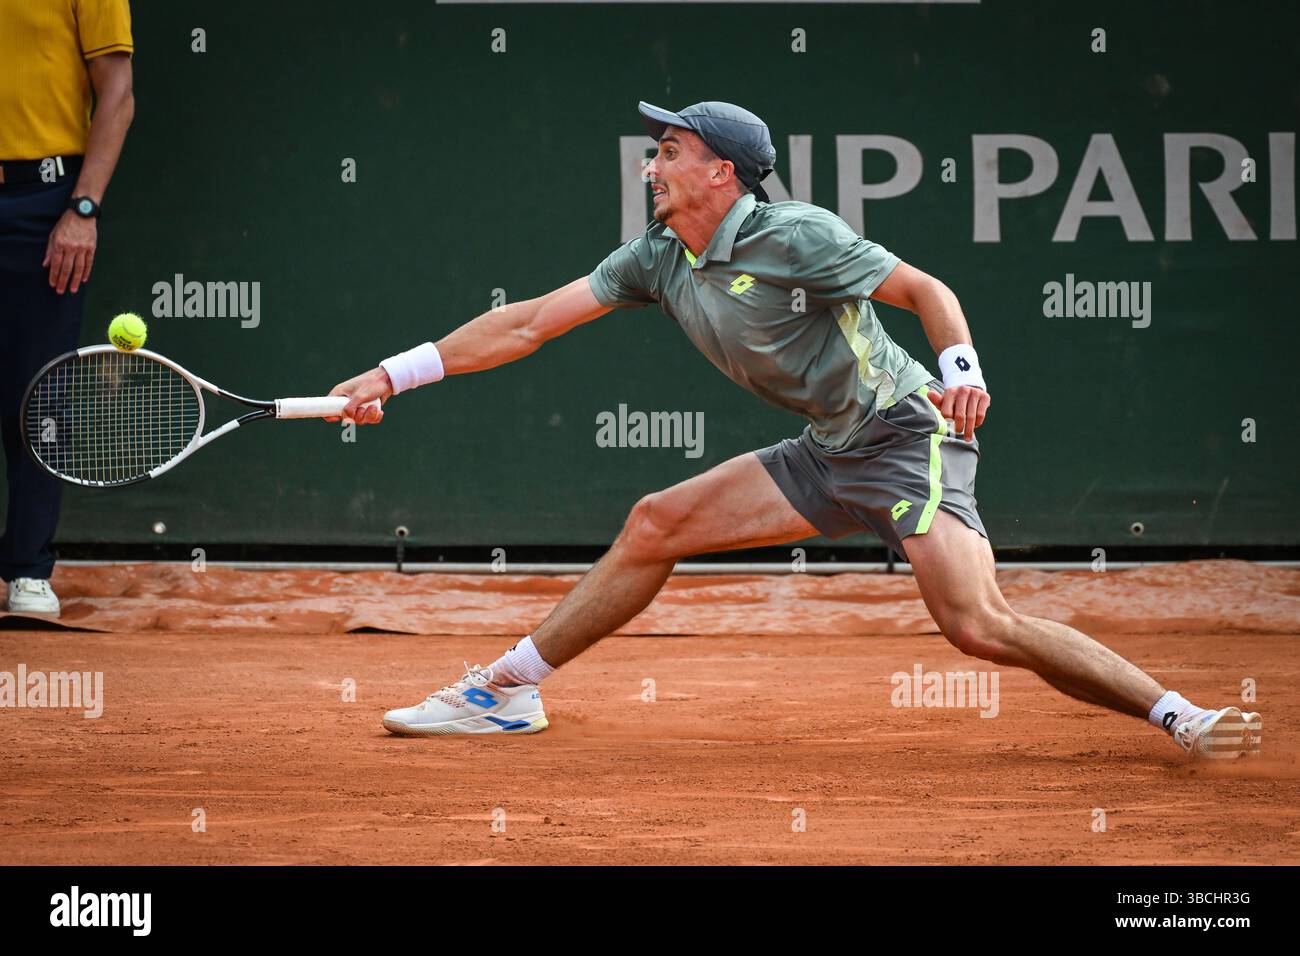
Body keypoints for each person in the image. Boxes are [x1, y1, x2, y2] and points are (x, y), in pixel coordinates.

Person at [329, 101, 1261, 759]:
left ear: (719, 171)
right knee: (657, 521)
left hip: (906, 436)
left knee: (978, 626)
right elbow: (526, 322)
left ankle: (1179, 715)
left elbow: (925, 291)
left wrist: (962, 373)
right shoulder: (658, 256)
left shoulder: (794, 235)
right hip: (825, 450)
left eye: (669, 150)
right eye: (653, 151)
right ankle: (505, 692)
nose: (651, 165)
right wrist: (389, 376)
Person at [0, 0, 135, 616]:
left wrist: (83, 209)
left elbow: (117, 92)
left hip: (47, 201)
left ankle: (28, 570)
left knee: (38, 391)